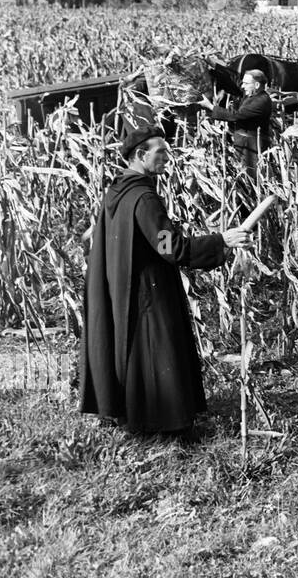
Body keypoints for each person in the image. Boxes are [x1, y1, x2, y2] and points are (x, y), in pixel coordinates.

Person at [80, 126, 250, 435]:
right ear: (141, 155)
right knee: (157, 348)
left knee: (136, 351)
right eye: (161, 153)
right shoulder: (144, 198)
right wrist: (221, 240)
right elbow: (170, 246)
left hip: (123, 283)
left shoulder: (118, 190)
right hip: (148, 289)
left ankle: (133, 415)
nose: (166, 159)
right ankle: (164, 423)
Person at [199, 68, 273, 170]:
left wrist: (210, 106)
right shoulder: (253, 94)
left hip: (252, 147)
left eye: (246, 84)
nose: (243, 86)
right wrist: (214, 65)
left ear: (256, 85)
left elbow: (236, 115)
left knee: (251, 173)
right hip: (244, 143)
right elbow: (235, 80)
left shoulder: (261, 101)